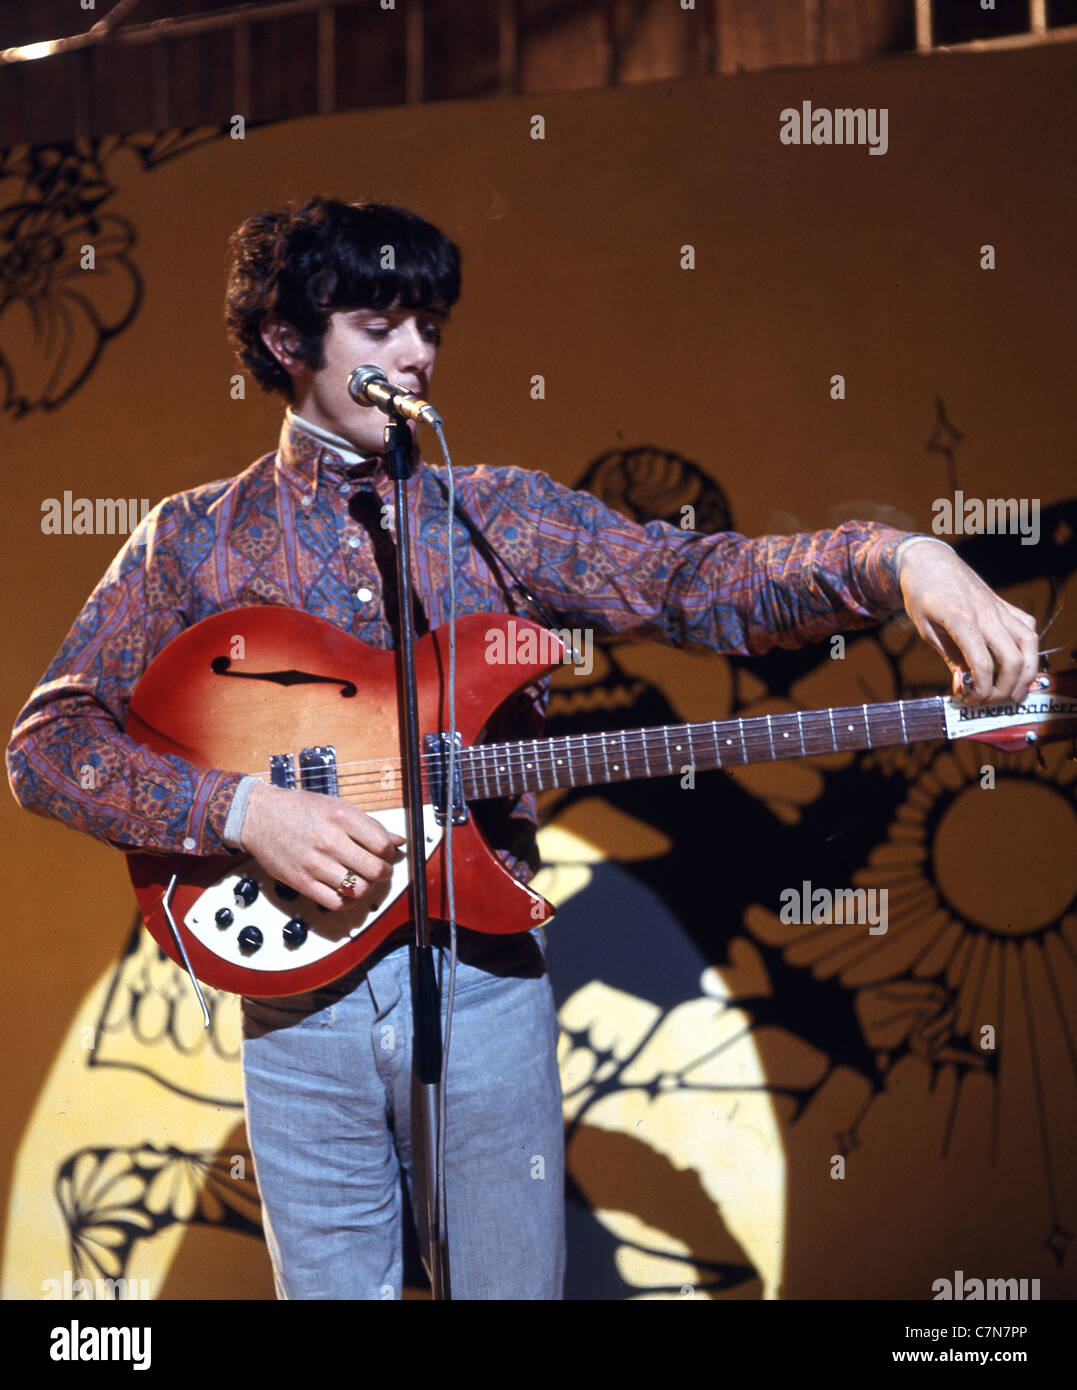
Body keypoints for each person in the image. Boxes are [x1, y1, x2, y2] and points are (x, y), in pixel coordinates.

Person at [6, 197, 1039, 1301]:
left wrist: (900, 558)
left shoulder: (496, 513)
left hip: (483, 980)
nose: (416, 354)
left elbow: (697, 583)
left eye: (431, 325)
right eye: (378, 323)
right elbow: (48, 745)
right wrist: (240, 811)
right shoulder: (189, 540)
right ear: (285, 340)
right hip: (295, 1014)